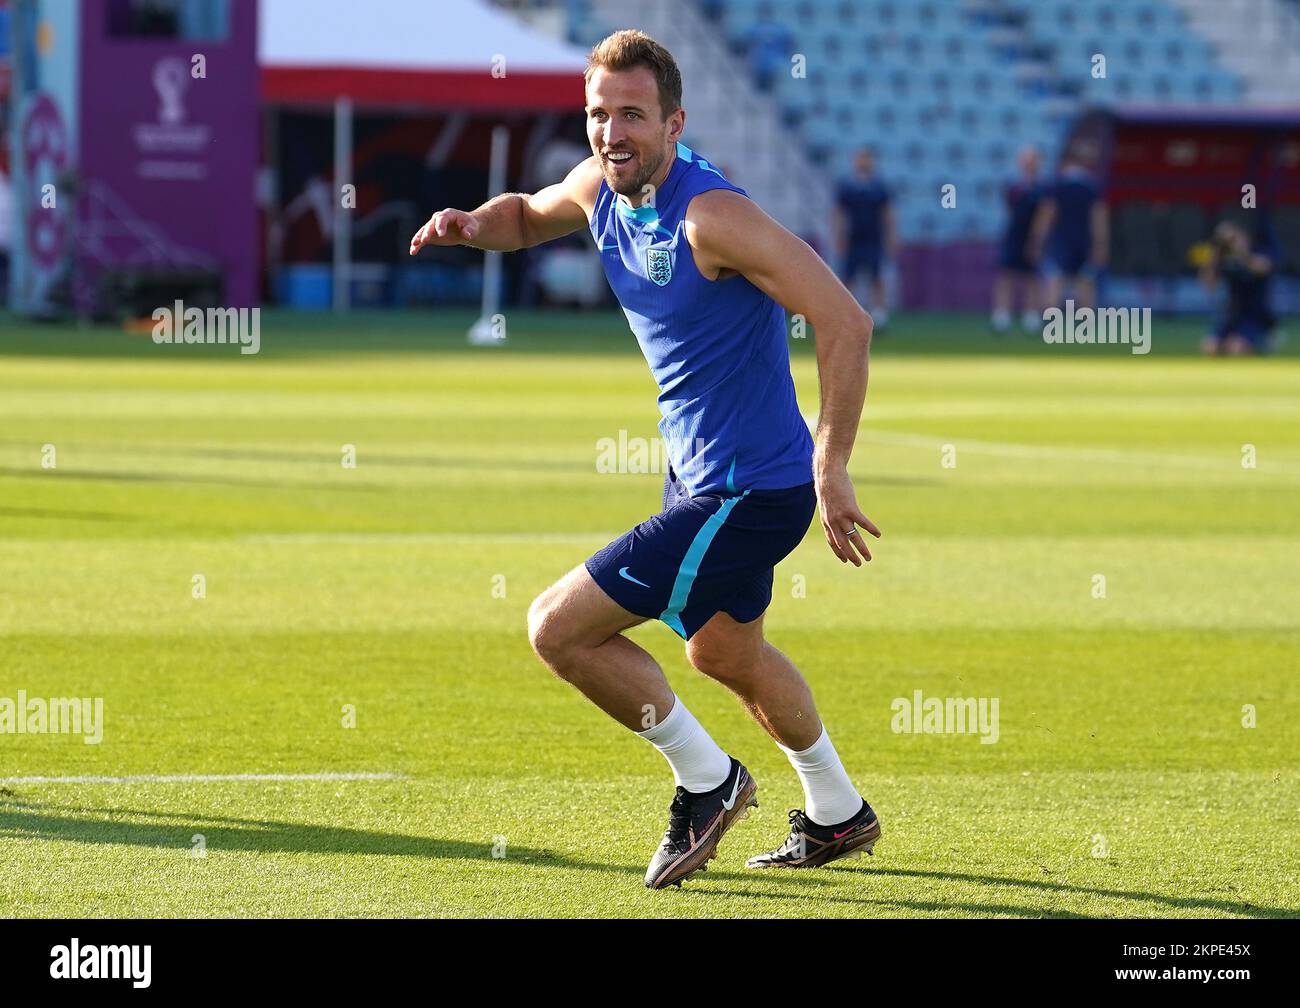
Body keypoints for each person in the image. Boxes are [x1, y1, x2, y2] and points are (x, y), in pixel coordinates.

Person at [411, 29, 882, 890]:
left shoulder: (712, 217)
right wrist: (475, 225)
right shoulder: (600, 186)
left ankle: (708, 782)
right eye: (599, 114)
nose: (611, 132)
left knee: (558, 629)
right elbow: (531, 214)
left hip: (748, 491)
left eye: (632, 114)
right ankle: (837, 811)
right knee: (724, 655)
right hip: (702, 480)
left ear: (674, 124)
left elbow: (845, 319)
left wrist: (833, 464)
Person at [1032, 157, 1109, 310]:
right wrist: (1101, 245)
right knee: (1086, 283)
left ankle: (1052, 321)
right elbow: (1099, 219)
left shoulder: (1056, 186)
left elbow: (1047, 215)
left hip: (1060, 242)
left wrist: (1037, 240)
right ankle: (1086, 322)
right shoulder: (1092, 187)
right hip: (1085, 242)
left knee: (1054, 282)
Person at [833, 146, 896, 327]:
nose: (863, 162)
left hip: (874, 239)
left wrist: (891, 237)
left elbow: (887, 214)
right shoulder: (847, 187)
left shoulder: (880, 187)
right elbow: (839, 214)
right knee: (848, 277)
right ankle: (848, 313)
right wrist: (839, 237)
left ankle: (879, 314)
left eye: (866, 158)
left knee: (876, 277)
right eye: (860, 158)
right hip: (853, 239)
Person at [1200, 219, 1276, 355]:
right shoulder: (1225, 259)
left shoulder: (1259, 252)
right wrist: (1216, 251)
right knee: (1210, 348)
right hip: (1231, 316)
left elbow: (1263, 268)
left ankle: (1265, 341)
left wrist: (1241, 253)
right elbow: (1209, 285)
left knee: (1236, 348)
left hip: (1254, 316)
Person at [991, 146, 1046, 333]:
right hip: (1014, 235)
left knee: (1032, 277)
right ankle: (1001, 315)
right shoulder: (1013, 185)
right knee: (1005, 274)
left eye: (1032, 159)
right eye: (1025, 159)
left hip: (1034, 235)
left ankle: (1031, 315)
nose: (1028, 163)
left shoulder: (1043, 187)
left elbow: (1045, 213)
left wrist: (1037, 238)